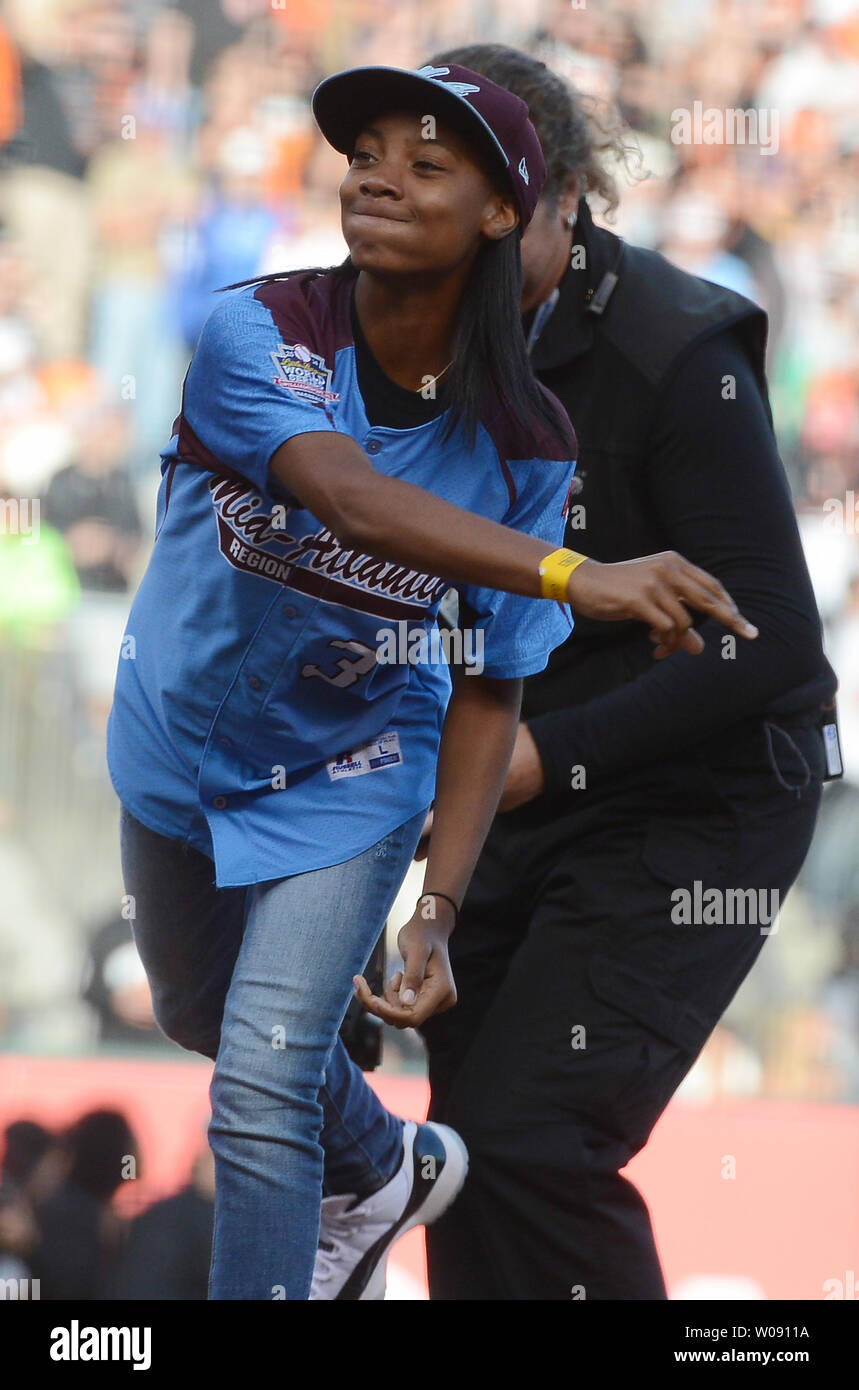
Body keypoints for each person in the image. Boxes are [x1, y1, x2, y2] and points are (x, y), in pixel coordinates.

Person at [106, 62, 755, 1302]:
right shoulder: (259, 330)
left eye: (425, 160)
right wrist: (581, 572)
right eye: (364, 151)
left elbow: (489, 684)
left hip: (353, 774)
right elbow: (353, 498)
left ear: (505, 210)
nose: (377, 173)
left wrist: (439, 908)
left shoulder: (526, 444)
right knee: (205, 1018)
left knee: (256, 1085)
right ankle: (387, 1165)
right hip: (173, 746)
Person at [401, 44, 838, 1300]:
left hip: (696, 799)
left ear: (560, 200)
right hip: (520, 772)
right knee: (462, 1151)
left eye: (487, 212)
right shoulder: (416, 328)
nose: (459, 245)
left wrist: (544, 757)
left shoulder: (670, 350)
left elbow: (771, 640)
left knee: (534, 1138)